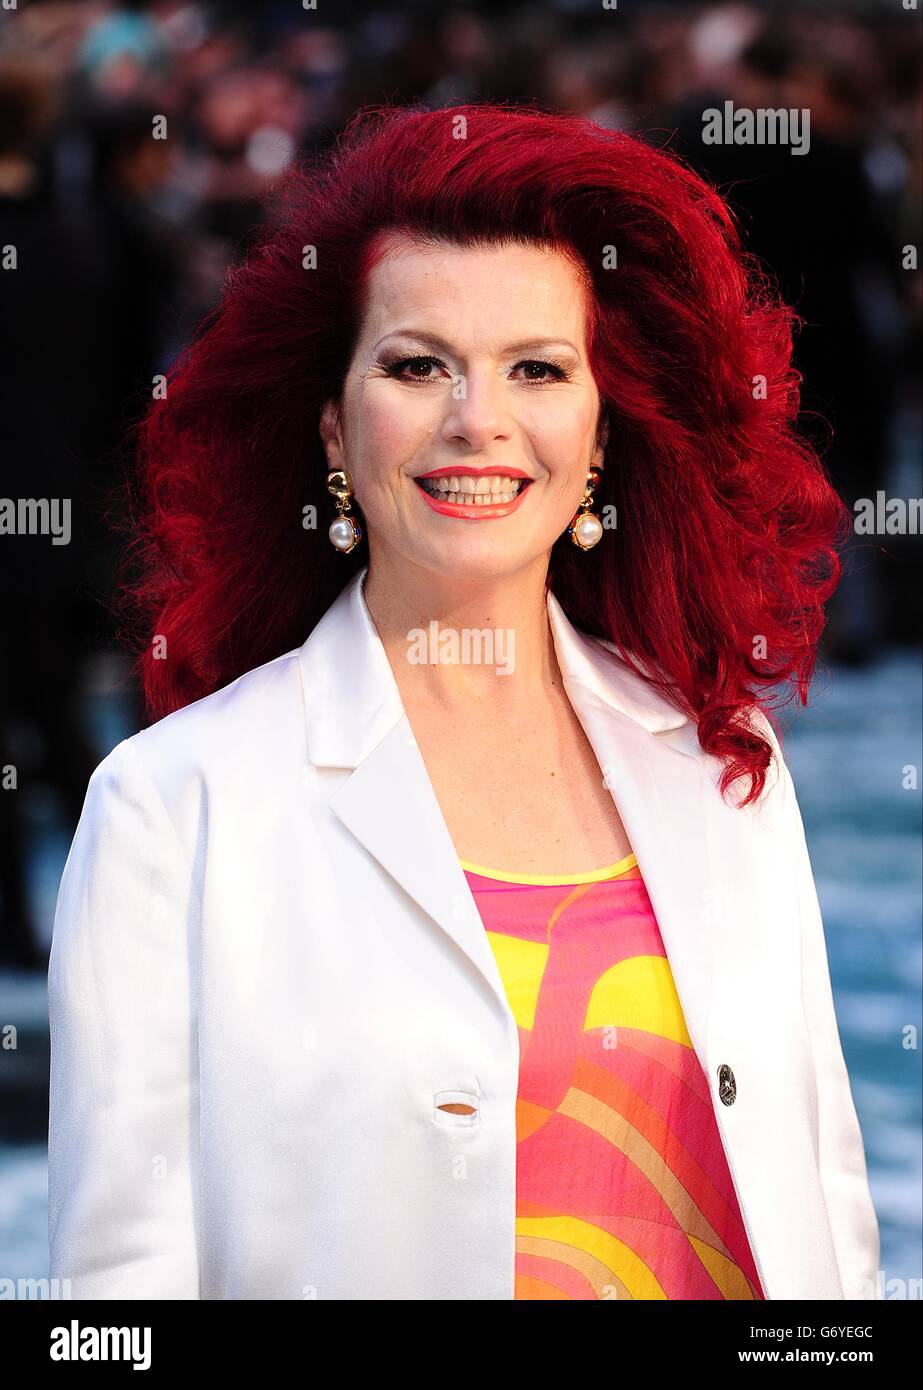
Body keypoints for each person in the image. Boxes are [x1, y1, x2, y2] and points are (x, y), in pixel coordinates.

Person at [47, 102, 880, 1301]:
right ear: (334, 426)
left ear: (602, 434)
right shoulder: (171, 808)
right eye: (415, 363)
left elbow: (826, 1211)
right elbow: (115, 1299)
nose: (474, 417)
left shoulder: (720, 758)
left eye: (535, 367)